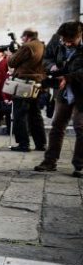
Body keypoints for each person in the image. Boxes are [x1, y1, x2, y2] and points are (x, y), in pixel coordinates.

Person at [35, 22, 83, 176]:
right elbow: (46, 58)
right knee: (57, 126)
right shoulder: (57, 39)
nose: (67, 43)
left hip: (81, 92)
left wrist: (68, 77)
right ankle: (49, 161)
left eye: (71, 40)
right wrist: (51, 67)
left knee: (80, 127)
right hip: (63, 91)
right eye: (64, 40)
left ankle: (79, 165)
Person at [7, 28, 46, 152]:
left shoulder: (28, 46)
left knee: (20, 114)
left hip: (25, 83)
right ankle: (41, 144)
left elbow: (12, 62)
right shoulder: (42, 45)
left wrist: (14, 51)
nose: (21, 39)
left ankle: (24, 144)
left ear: (26, 36)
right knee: (35, 114)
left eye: (22, 37)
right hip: (38, 82)